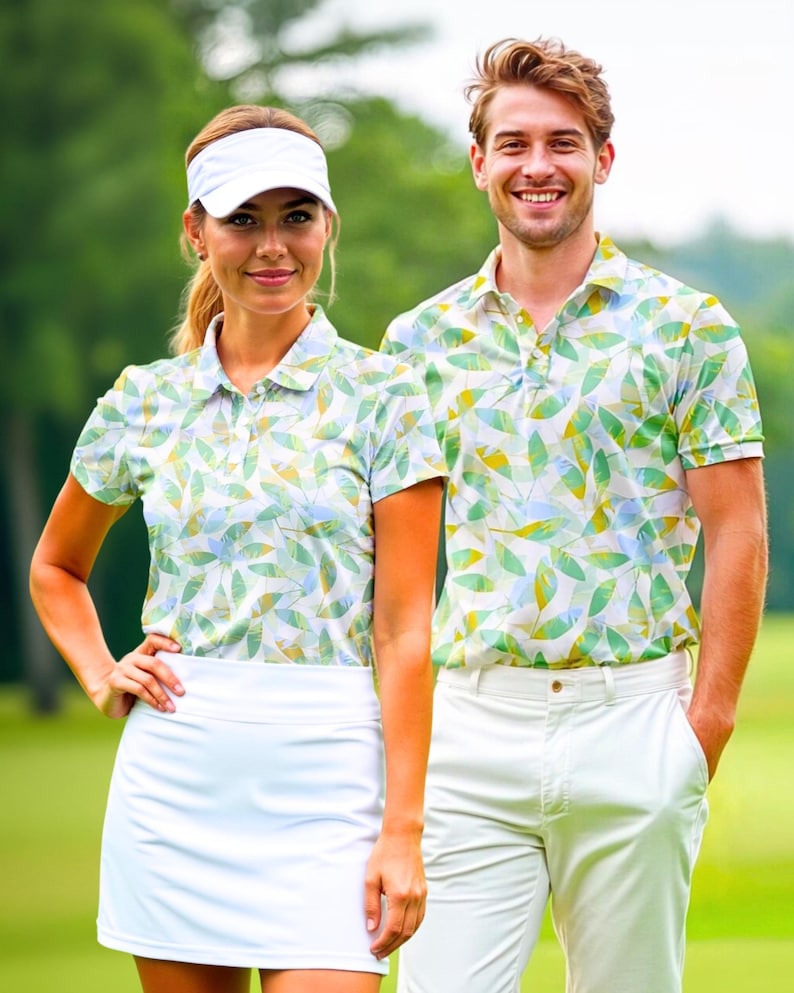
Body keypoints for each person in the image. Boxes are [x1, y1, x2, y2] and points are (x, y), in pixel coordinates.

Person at [29, 104, 446, 993]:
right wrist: (103, 673)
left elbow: (406, 630)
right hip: (178, 780)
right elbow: (56, 568)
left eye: (296, 216)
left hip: (332, 780)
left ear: (328, 225)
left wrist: (402, 828)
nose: (272, 247)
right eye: (242, 219)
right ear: (195, 231)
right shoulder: (144, 401)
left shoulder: (387, 397)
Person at [381, 36, 768, 993]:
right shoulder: (416, 341)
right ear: (479, 163)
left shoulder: (689, 327)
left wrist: (701, 727)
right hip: (469, 731)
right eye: (513, 144)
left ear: (602, 156)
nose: (537, 166)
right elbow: (389, 564)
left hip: (634, 720)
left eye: (564, 141)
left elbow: (738, 530)